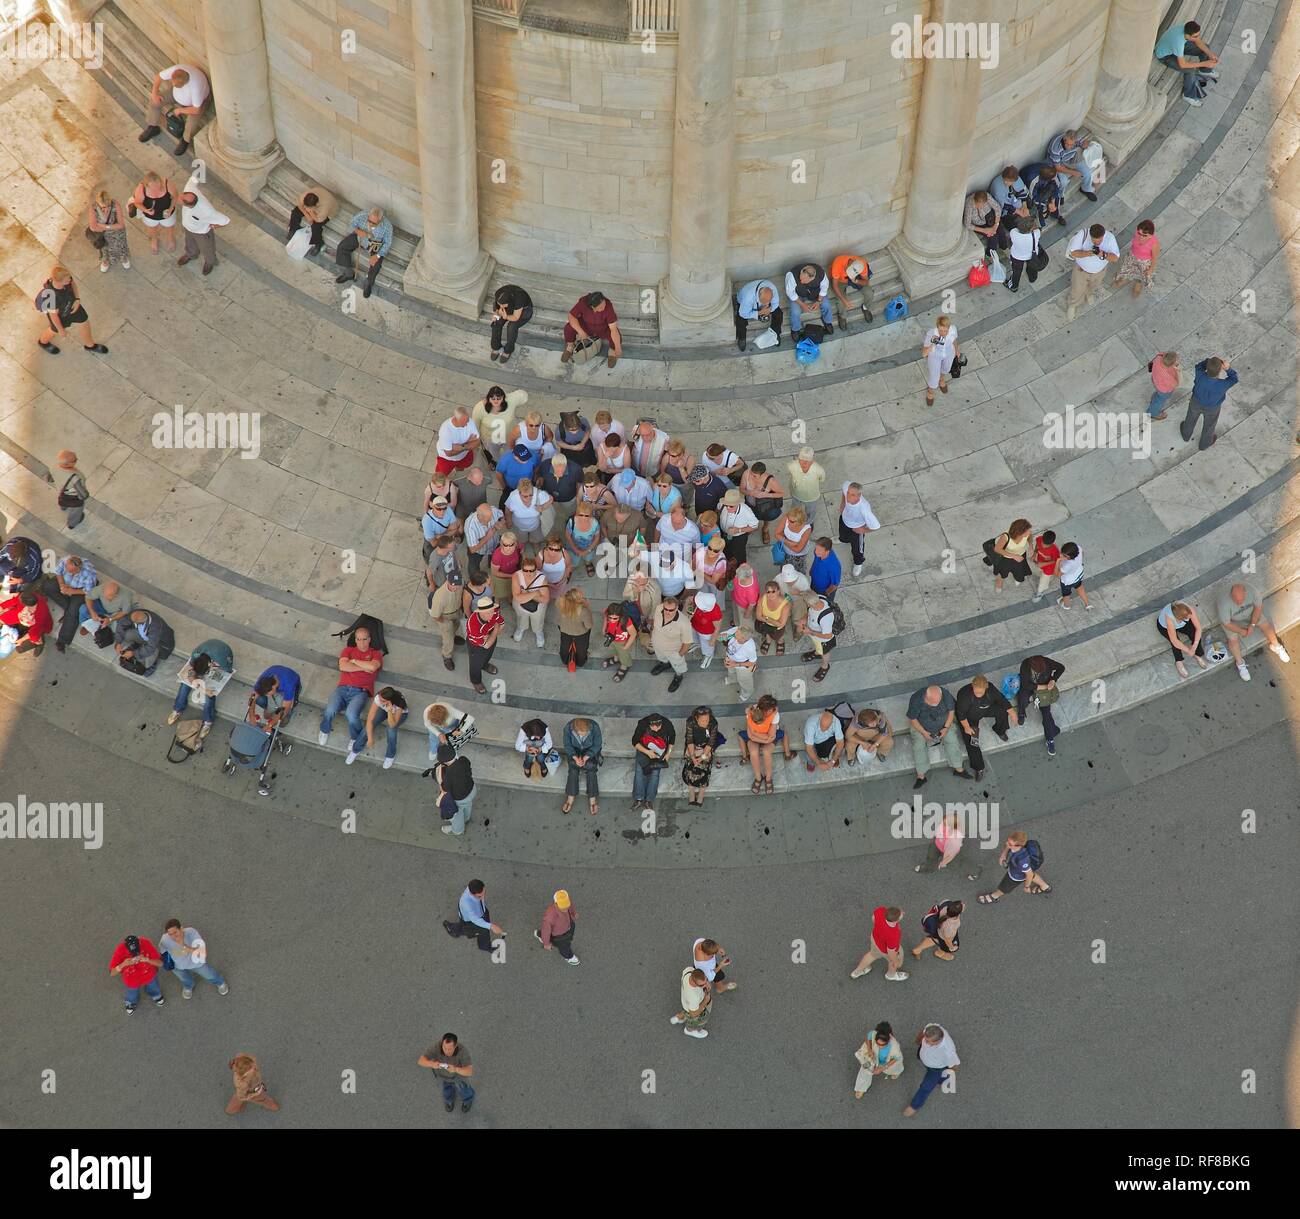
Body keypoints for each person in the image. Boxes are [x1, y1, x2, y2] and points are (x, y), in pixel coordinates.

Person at [318, 624, 382, 746]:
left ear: (369, 639)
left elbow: (373, 666)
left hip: (360, 691)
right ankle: (324, 730)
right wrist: (363, 667)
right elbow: (343, 666)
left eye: (364, 639)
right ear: (355, 640)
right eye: (358, 639)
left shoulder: (376, 654)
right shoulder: (348, 650)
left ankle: (355, 737)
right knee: (330, 710)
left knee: (351, 715)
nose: (361, 642)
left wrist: (354, 662)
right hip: (342, 688)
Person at [1218, 581, 1290, 680]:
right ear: (1231, 596)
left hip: (1251, 613)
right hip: (1233, 621)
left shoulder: (1253, 591)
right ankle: (1240, 664)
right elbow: (1227, 623)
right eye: (1236, 601)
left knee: (1266, 625)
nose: (1239, 603)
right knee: (1233, 640)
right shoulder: (1223, 603)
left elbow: (1258, 607)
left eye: (1241, 600)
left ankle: (1276, 646)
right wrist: (1242, 631)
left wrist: (1252, 625)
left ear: (1245, 593)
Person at [907, 684, 973, 790]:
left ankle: (958, 769)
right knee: (918, 746)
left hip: (944, 724)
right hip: (921, 727)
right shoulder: (916, 699)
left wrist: (946, 728)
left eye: (938, 702)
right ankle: (921, 776)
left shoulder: (945, 694)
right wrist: (924, 733)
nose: (935, 705)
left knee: (952, 740)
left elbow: (951, 711)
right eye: (932, 703)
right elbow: (912, 719)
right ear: (925, 697)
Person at [138, 62, 210, 154]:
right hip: (177, 95)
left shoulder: (196, 86)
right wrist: (154, 94)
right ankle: (152, 127)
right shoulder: (176, 70)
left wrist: (181, 110)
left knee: (192, 122)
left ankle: (185, 141)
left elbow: (197, 109)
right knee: (154, 102)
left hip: (198, 103)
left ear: (186, 83)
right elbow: (159, 77)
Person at [36, 266, 107, 355]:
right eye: (67, 280)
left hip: (72, 305)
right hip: (60, 316)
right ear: (58, 282)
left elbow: (73, 284)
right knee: (53, 331)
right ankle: (43, 342)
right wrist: (61, 330)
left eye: (69, 278)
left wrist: (77, 299)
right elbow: (53, 316)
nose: (69, 280)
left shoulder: (67, 279)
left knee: (84, 322)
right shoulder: (51, 296)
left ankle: (90, 346)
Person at [955, 674, 1015, 780]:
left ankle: (999, 730)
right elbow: (961, 714)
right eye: (976, 691)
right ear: (972, 686)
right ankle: (979, 768)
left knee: (1002, 712)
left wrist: (1012, 712)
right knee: (972, 742)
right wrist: (966, 727)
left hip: (985, 709)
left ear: (986, 688)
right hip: (969, 718)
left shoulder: (990, 689)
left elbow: (1001, 700)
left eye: (981, 692)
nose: (978, 694)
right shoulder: (964, 695)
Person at [167, 641, 231, 738]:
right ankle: (177, 709)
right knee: (184, 685)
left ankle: (208, 721)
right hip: (210, 656)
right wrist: (197, 683)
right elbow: (191, 672)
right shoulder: (196, 654)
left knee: (210, 695)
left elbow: (226, 671)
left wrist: (205, 687)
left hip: (223, 658)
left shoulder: (221, 661)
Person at [1155, 18, 1220, 104]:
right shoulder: (1178, 42)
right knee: (1190, 71)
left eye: (1198, 35)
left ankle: (1204, 71)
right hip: (1165, 56)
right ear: (1188, 36)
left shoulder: (1186, 28)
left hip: (1174, 47)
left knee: (1206, 47)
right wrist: (1205, 63)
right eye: (1195, 36)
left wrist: (1210, 54)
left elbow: (1198, 42)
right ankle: (1188, 95)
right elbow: (1183, 65)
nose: (1197, 38)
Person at [159, 919, 229, 999]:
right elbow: (164, 953)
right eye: (170, 934)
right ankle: (188, 986)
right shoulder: (164, 940)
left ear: (181, 928)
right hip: (178, 966)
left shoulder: (192, 933)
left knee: (209, 974)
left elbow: (202, 953)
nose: (173, 936)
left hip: (196, 963)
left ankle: (220, 983)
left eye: (175, 932)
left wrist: (183, 945)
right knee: (184, 978)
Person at [176, 173, 230, 276]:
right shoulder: (189, 189)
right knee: (189, 242)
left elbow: (225, 220)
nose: (179, 196)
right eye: (182, 195)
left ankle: (210, 263)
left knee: (208, 249)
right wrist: (200, 168)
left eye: (181, 198)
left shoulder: (206, 211)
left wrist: (214, 226)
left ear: (188, 205)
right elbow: (194, 178)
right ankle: (191, 254)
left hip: (202, 233)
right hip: (189, 229)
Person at [1065, 222, 1120, 322]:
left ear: (1103, 235)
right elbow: (1074, 253)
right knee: (1077, 289)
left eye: (1099, 242)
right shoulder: (1082, 234)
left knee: (1094, 285)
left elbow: (1115, 258)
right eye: (1094, 242)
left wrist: (1103, 255)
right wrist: (1089, 253)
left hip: (1099, 271)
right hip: (1081, 270)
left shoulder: (1110, 238)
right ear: (1090, 236)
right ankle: (1072, 305)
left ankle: (1088, 293)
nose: (1097, 244)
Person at [1181, 356, 1238, 451]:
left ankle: (1185, 435)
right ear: (1220, 370)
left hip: (1196, 402)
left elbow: (1199, 366)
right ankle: (1204, 444)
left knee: (1190, 418)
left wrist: (1210, 361)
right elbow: (1234, 379)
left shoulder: (1200, 374)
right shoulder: (1223, 384)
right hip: (1212, 408)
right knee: (1209, 425)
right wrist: (1228, 369)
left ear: (1207, 368)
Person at [978, 830, 1051, 904]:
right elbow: (1029, 873)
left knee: (1005, 887)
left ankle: (994, 896)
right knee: (1029, 873)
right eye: (1008, 841)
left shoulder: (1022, 860)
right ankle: (1044, 887)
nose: (1007, 844)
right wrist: (1003, 855)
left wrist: (1027, 887)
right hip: (1019, 870)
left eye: (1010, 844)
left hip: (1015, 876)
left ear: (1019, 846)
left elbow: (1029, 875)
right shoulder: (1016, 847)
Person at [335, 206, 392, 298]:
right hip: (360, 238)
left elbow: (388, 243)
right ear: (368, 216)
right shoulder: (362, 215)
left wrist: (377, 255)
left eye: (374, 223)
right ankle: (348, 273)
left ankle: (368, 283)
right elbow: (351, 224)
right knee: (342, 247)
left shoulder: (387, 226)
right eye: (369, 221)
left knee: (376, 264)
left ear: (380, 220)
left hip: (375, 244)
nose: (370, 224)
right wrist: (357, 231)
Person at [903, 1024, 960, 1116]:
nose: (925, 1041)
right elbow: (924, 1030)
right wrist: (918, 1040)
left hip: (936, 1069)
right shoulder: (933, 1028)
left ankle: (914, 1106)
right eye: (925, 1039)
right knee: (939, 1078)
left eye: (928, 1041)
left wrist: (948, 1071)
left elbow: (954, 1065)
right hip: (927, 1060)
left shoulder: (948, 1051)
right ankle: (942, 1080)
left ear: (938, 1041)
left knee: (925, 1087)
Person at [740, 693, 791, 794]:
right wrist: (764, 739)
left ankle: (768, 779)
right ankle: (758, 778)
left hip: (764, 737)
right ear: (762, 710)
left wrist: (757, 736)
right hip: (761, 737)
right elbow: (750, 734)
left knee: (767, 752)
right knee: (753, 753)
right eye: (769, 710)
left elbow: (771, 735)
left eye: (773, 709)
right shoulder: (752, 712)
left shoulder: (774, 714)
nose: (772, 711)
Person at [1016, 653, 1066, 755]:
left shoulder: (1046, 662)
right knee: (1022, 698)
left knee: (1046, 713)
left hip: (1044, 688)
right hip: (1031, 687)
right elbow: (1026, 684)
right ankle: (1021, 712)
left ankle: (1050, 739)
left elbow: (1061, 667)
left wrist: (1053, 679)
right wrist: (1043, 687)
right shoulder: (1025, 665)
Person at [349, 686, 408, 769]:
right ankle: (356, 749)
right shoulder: (379, 698)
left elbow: (392, 724)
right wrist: (370, 738)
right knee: (370, 724)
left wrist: (390, 711)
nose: (379, 701)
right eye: (379, 698)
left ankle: (390, 755)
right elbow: (369, 720)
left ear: (390, 701)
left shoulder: (400, 703)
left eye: (383, 700)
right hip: (384, 709)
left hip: (398, 714)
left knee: (391, 730)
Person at [914, 807, 982, 879]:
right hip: (938, 845)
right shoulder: (944, 824)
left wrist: (943, 863)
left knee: (959, 864)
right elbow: (938, 834)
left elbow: (950, 855)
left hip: (950, 852)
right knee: (931, 856)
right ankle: (928, 867)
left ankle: (975, 871)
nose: (943, 823)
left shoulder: (956, 839)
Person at [561, 291, 622, 368]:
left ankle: (612, 352)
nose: (604, 306)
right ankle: (570, 346)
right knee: (568, 328)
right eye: (601, 307)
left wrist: (618, 347)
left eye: (604, 304)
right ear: (593, 307)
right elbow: (571, 316)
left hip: (603, 328)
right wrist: (581, 332)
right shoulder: (583, 302)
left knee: (617, 336)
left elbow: (613, 329)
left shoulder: (608, 306)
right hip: (586, 325)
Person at [418, 1034, 475, 1113]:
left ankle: (468, 1100)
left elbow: (469, 1071)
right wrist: (431, 1064)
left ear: (455, 1047)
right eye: (444, 1048)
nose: (446, 1051)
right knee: (446, 1091)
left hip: (458, 1076)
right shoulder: (436, 1046)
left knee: (465, 1089)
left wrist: (455, 1069)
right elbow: (421, 1061)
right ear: (442, 1043)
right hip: (442, 1076)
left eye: (449, 1049)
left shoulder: (463, 1051)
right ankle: (449, 1100)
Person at [50, 551, 96, 650]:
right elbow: (58, 573)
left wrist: (71, 591)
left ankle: (63, 640)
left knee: (73, 611)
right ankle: (69, 610)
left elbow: (88, 591)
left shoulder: (89, 574)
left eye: (71, 571)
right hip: (66, 584)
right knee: (48, 586)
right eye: (67, 569)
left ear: (78, 569)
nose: (67, 571)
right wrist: (62, 584)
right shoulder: (65, 561)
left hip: (79, 590)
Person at [850, 905, 909, 982]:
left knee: (872, 955)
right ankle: (891, 975)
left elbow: (873, 918)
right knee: (893, 962)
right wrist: (896, 961)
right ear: (895, 921)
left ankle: (857, 972)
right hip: (885, 950)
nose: (902, 913)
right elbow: (891, 951)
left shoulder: (881, 911)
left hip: (875, 939)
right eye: (901, 914)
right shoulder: (894, 934)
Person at [443, 879, 504, 952]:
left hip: (482, 912)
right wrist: (492, 926)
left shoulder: (473, 888)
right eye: (479, 896)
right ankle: (452, 929)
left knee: (482, 929)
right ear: (472, 894)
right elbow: (475, 919)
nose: (482, 897)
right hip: (470, 920)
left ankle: (453, 929)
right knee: (479, 930)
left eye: (484, 893)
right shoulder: (466, 904)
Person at [109, 933, 164, 1014]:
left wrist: (147, 960)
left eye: (137, 952)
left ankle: (155, 994)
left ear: (139, 943)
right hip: (132, 979)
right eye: (132, 954)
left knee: (153, 986)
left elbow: (160, 963)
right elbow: (112, 973)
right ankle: (131, 1002)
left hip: (149, 974)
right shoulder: (120, 950)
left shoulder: (145, 943)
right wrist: (123, 964)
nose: (135, 956)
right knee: (132, 993)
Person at [631, 711, 675, 811]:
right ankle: (638, 798)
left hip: (660, 751)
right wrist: (647, 752)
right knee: (639, 772)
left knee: (655, 774)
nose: (656, 729)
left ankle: (649, 800)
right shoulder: (642, 724)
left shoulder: (667, 724)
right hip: (644, 748)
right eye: (653, 727)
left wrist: (668, 753)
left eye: (658, 727)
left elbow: (672, 738)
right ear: (649, 724)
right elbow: (635, 741)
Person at [113, 608, 174, 676]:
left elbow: (151, 647)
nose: (129, 620)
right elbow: (122, 623)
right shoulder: (137, 613)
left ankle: (154, 662)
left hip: (159, 643)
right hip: (145, 637)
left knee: (147, 662)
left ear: (140, 623)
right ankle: (139, 646)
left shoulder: (155, 627)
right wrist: (118, 642)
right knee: (128, 635)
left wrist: (134, 653)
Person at [681, 705, 723, 804]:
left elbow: (711, 742)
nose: (705, 723)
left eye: (707, 720)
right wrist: (693, 756)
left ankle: (702, 790)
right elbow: (689, 740)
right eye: (702, 721)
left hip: (706, 746)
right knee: (690, 763)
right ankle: (691, 789)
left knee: (705, 763)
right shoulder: (690, 722)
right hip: (693, 745)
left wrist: (702, 756)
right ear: (696, 718)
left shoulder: (713, 723)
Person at [650, 596, 692, 693]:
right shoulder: (658, 608)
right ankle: (665, 665)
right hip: (657, 645)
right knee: (662, 658)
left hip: (673, 651)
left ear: (677, 608)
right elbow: (654, 622)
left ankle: (678, 677)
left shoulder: (684, 623)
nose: (667, 612)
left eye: (671, 610)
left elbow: (687, 643)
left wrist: (679, 655)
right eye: (666, 609)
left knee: (678, 666)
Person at [1156, 601, 1208, 679]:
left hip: (1182, 623)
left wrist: (1194, 645)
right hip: (1165, 627)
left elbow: (1198, 628)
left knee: (1194, 633)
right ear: (1180, 618)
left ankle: (1197, 654)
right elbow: (1175, 641)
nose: (1190, 617)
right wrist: (1188, 650)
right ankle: (1179, 661)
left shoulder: (1188, 609)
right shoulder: (1169, 618)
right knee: (1175, 642)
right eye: (1188, 617)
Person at [837, 481, 880, 578]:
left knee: (857, 549)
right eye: (848, 493)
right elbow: (844, 491)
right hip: (844, 520)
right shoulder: (846, 486)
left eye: (852, 495)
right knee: (843, 537)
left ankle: (858, 562)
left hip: (856, 528)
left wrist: (863, 530)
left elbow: (876, 526)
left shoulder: (864, 508)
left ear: (859, 495)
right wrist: (843, 503)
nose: (848, 496)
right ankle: (843, 540)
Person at [132, 170, 179, 255]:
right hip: (150, 216)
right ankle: (154, 239)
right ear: (146, 185)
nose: (156, 189)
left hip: (167, 213)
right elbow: (137, 203)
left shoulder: (166, 183)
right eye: (152, 187)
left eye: (158, 185)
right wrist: (146, 210)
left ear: (160, 181)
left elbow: (175, 196)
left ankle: (170, 238)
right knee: (152, 229)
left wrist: (171, 209)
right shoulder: (141, 188)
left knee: (170, 226)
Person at [561, 717, 601, 815]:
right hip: (575, 751)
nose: (584, 735)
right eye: (581, 734)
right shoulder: (568, 728)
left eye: (586, 733)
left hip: (590, 752)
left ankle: (592, 798)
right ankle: (571, 796)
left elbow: (597, 745)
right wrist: (575, 757)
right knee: (573, 768)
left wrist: (586, 757)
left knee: (591, 768)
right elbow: (567, 745)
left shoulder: (594, 727)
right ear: (575, 730)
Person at [854, 1022, 904, 1099]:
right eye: (877, 1044)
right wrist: (870, 1049)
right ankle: (861, 1088)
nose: (880, 1047)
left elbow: (896, 1058)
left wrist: (882, 1068)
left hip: (888, 1062)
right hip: (874, 1058)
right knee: (865, 1070)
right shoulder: (873, 1033)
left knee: (894, 1068)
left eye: (883, 1045)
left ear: (888, 1041)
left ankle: (897, 1072)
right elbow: (868, 1038)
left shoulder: (894, 1046)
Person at [1046, 128, 1098, 203]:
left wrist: (1086, 144)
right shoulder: (1055, 149)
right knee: (1063, 181)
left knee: (1087, 173)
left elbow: (1083, 143)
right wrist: (1073, 172)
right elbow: (1057, 168)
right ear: (1064, 139)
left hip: (1071, 157)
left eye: (1072, 144)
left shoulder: (1075, 139)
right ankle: (1059, 195)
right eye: (1067, 144)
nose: (1069, 147)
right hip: (1057, 163)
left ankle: (1086, 189)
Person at [473, 385, 520, 466]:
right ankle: (496, 462)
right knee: (493, 453)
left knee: (509, 451)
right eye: (493, 398)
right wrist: (477, 439)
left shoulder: (509, 404)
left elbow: (522, 395)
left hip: (507, 437)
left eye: (498, 398)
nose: (496, 401)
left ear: (503, 398)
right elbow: (475, 424)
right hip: (490, 439)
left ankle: (508, 462)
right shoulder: (480, 408)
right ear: (489, 398)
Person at [435, 743, 476, 836]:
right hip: (472, 789)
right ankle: (466, 818)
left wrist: (439, 779)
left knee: (457, 815)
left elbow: (444, 789)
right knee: (467, 805)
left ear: (444, 762)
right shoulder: (463, 760)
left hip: (461, 798)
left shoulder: (449, 774)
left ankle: (457, 830)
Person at [1112, 218, 1160, 297]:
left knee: (1141, 274)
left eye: (1145, 235)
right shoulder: (1138, 232)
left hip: (1144, 262)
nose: (1141, 236)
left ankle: (1138, 284)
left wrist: (1151, 269)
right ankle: (1124, 279)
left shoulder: (1154, 244)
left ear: (1151, 235)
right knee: (1127, 269)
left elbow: (1155, 258)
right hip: (1132, 256)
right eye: (1139, 233)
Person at [87, 186, 130, 273]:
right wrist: (112, 227)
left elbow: (121, 225)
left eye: (108, 206)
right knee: (104, 249)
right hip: (103, 236)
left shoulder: (115, 204)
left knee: (120, 247)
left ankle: (123, 258)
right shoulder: (93, 208)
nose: (106, 209)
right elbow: (93, 227)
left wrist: (104, 226)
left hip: (118, 234)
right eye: (102, 208)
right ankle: (105, 261)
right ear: (98, 204)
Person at [511, 551, 550, 648]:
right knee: (521, 617)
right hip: (521, 604)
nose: (528, 573)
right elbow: (517, 597)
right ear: (522, 569)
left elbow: (545, 599)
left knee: (538, 619)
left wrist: (526, 594)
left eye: (531, 570)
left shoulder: (542, 578)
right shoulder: (516, 576)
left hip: (538, 605)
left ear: (536, 570)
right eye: (526, 570)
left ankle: (538, 632)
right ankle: (521, 628)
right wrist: (536, 593)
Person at [733, 277, 783, 351]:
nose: (766, 303)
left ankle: (776, 333)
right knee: (740, 319)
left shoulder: (772, 289)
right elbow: (743, 314)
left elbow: (775, 303)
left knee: (778, 313)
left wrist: (769, 310)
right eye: (764, 302)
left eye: (768, 301)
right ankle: (742, 338)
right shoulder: (748, 297)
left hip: (760, 306)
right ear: (758, 296)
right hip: (744, 304)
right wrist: (760, 312)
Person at [785, 261, 832, 338]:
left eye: (805, 280)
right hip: (798, 295)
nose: (801, 281)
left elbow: (824, 287)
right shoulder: (791, 275)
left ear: (812, 278)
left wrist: (818, 301)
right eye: (801, 278)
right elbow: (790, 292)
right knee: (795, 311)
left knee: (826, 304)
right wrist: (802, 305)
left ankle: (827, 321)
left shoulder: (821, 273)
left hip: (815, 293)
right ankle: (795, 329)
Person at [984, 518, 1033, 591]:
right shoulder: (1005, 537)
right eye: (1027, 531)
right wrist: (1014, 556)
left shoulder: (1027, 533)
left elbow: (1030, 537)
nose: (1029, 532)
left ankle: (1018, 579)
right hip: (1005, 559)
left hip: (1020, 556)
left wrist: (1031, 546)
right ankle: (998, 586)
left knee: (1019, 571)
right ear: (1019, 532)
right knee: (1002, 574)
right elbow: (997, 549)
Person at [801, 590, 838, 683]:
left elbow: (828, 635)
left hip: (824, 640)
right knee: (818, 647)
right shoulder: (819, 598)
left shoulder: (825, 618)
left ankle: (825, 666)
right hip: (816, 637)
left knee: (825, 653)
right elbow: (809, 612)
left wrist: (810, 631)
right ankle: (817, 653)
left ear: (809, 603)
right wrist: (805, 618)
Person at [0, 589, 52, 655]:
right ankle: (21, 629)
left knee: (20, 648)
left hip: (36, 624)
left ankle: (40, 643)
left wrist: (22, 640)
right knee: (3, 618)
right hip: (23, 617)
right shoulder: (28, 596)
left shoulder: (41, 612)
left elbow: (35, 630)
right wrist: (2, 606)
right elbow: (14, 601)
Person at [490, 283, 533, 363]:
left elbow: (516, 317)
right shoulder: (499, 293)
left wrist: (506, 317)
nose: (501, 307)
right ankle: (495, 347)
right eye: (500, 304)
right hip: (509, 309)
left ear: (509, 303)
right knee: (496, 322)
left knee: (512, 326)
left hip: (524, 311)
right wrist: (496, 314)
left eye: (503, 305)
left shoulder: (520, 299)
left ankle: (508, 350)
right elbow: (497, 307)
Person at [505, 479, 554, 548]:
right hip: (520, 527)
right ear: (519, 493)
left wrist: (542, 507)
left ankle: (534, 541)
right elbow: (507, 508)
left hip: (535, 526)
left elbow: (551, 499)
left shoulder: (538, 494)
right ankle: (523, 542)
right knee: (521, 540)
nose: (529, 498)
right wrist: (508, 520)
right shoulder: (513, 496)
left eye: (531, 495)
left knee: (536, 540)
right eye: (525, 496)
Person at [921, 315, 959, 406]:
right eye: (940, 330)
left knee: (946, 369)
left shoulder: (953, 329)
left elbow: (954, 341)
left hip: (949, 353)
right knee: (934, 377)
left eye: (945, 330)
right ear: (937, 327)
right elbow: (924, 354)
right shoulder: (931, 334)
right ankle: (930, 392)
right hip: (935, 356)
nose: (943, 333)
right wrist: (933, 343)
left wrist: (957, 350)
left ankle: (941, 379)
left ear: (949, 328)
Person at [535, 890, 580, 964]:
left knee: (548, 936)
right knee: (564, 946)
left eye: (566, 906)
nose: (565, 910)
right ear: (556, 903)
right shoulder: (549, 917)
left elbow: (570, 905)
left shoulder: (566, 901)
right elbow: (546, 930)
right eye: (563, 908)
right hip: (559, 935)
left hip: (567, 926)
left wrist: (574, 913)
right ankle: (569, 957)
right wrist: (546, 944)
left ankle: (541, 935)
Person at [829, 253, 874, 327]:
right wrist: (845, 301)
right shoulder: (838, 263)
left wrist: (856, 281)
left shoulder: (861, 264)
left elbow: (866, 282)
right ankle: (842, 316)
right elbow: (835, 285)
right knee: (840, 301)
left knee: (869, 293)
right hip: (840, 281)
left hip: (855, 279)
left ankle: (866, 308)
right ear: (847, 265)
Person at [288, 186, 336, 256]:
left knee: (316, 227)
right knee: (296, 212)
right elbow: (300, 205)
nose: (306, 207)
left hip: (328, 213)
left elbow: (319, 220)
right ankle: (293, 228)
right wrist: (306, 214)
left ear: (315, 205)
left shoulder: (325, 207)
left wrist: (311, 213)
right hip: (312, 208)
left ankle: (318, 243)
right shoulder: (306, 196)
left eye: (308, 207)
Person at [1004, 203, 1040, 293]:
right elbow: (1035, 230)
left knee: (1016, 271)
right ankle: (1032, 278)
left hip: (1017, 256)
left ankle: (1014, 286)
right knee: (1032, 267)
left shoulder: (1014, 232)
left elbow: (1011, 239)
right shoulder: (1036, 233)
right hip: (1032, 255)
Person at [434, 405, 480, 475]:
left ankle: (457, 472)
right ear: (456, 419)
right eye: (464, 421)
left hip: (464, 455)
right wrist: (468, 443)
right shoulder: (445, 431)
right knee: (441, 476)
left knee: (464, 466)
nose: (467, 423)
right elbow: (449, 453)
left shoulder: (469, 421)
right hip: (446, 459)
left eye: (467, 420)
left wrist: (462, 447)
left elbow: (477, 442)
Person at [786, 447, 826, 527]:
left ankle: (809, 522)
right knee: (795, 509)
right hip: (795, 494)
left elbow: (822, 479)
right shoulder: (791, 465)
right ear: (798, 459)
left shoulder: (819, 470)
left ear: (812, 461)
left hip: (811, 497)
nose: (804, 463)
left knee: (810, 511)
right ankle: (794, 520)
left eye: (807, 461)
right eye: (802, 460)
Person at [601, 599, 638, 683]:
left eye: (615, 618)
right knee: (614, 650)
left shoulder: (626, 621)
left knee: (624, 655)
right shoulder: (607, 613)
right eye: (610, 617)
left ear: (620, 616)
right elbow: (605, 620)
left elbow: (633, 634)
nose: (612, 620)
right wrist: (604, 630)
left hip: (623, 641)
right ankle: (616, 658)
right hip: (612, 638)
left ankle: (625, 666)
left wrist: (626, 646)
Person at [965, 190, 1006, 261]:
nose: (981, 207)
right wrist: (985, 230)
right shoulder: (969, 204)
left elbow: (997, 208)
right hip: (979, 224)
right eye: (978, 205)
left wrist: (996, 225)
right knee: (993, 237)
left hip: (988, 216)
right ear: (975, 200)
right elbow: (967, 224)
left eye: (983, 204)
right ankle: (989, 254)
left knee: (1001, 230)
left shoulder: (986, 196)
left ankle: (1004, 247)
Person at [558, 587, 592, 671]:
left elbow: (558, 621)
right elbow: (589, 625)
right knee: (581, 648)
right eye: (582, 597)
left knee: (564, 646)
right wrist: (587, 607)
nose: (584, 598)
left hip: (564, 630)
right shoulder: (584, 611)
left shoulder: (561, 606)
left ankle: (565, 660)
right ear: (578, 600)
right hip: (580, 633)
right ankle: (581, 662)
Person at [54, 450, 89, 532]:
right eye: (74, 460)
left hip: (62, 493)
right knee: (77, 510)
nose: (76, 460)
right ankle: (72, 524)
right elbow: (83, 495)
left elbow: (49, 478)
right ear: (67, 464)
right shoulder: (74, 477)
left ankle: (63, 507)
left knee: (63, 501)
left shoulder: (54, 467)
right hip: (73, 497)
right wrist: (85, 495)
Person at [754, 581, 790, 658]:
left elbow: (781, 624)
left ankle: (780, 642)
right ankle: (768, 640)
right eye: (768, 592)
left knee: (779, 636)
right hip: (765, 623)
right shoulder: (762, 599)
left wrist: (767, 619)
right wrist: (770, 621)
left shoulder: (785, 605)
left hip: (776, 627)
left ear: (778, 591)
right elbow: (758, 616)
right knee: (767, 632)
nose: (770, 594)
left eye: (773, 591)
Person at [565, 505, 602, 577]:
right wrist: (576, 550)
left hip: (588, 546)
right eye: (581, 515)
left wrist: (588, 550)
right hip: (573, 546)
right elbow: (568, 536)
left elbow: (597, 537)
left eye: (587, 515)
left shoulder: (595, 523)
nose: (583, 517)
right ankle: (570, 566)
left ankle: (588, 562)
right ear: (577, 513)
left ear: (591, 515)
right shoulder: (571, 521)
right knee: (574, 562)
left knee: (588, 557)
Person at [724, 625, 758, 701]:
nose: (735, 633)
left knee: (744, 681)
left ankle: (747, 693)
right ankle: (732, 679)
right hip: (731, 659)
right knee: (731, 671)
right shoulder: (736, 631)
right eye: (736, 632)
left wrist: (736, 664)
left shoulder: (750, 648)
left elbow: (753, 662)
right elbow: (722, 637)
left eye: (737, 634)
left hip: (744, 667)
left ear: (743, 638)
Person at [690, 589, 723, 669]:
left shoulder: (716, 612)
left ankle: (708, 655)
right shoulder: (700, 598)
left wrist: (713, 640)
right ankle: (697, 643)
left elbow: (717, 628)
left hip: (706, 632)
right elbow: (691, 599)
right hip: (695, 625)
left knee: (707, 644)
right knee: (695, 637)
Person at [804, 708, 844, 772]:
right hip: (814, 740)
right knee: (808, 753)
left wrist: (833, 760)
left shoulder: (836, 722)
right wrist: (818, 763)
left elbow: (840, 742)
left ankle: (834, 757)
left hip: (827, 738)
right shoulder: (811, 725)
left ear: (832, 722)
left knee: (839, 747)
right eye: (822, 726)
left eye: (827, 727)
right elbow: (809, 747)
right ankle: (810, 763)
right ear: (819, 719)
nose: (823, 729)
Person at [1147, 351, 1180, 421]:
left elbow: (1162, 353)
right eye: (1177, 360)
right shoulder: (1167, 375)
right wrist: (1177, 372)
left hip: (1155, 381)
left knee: (1158, 396)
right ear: (1172, 365)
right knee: (1160, 401)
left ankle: (1154, 399)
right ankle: (1153, 413)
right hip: (1164, 390)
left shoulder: (1158, 358)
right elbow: (1176, 384)